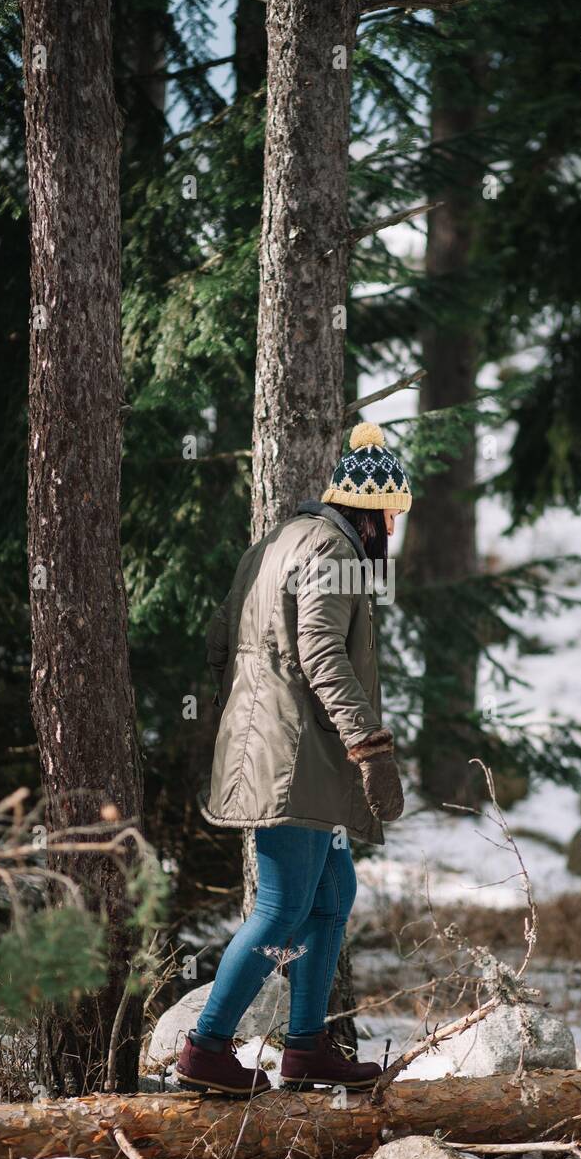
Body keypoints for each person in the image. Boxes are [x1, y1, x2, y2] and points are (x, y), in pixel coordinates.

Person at [175, 422, 412, 1096]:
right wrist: (370, 745)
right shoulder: (334, 551)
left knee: (332, 894)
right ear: (369, 516)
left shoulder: (272, 544)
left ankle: (306, 1046)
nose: (391, 534)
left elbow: (221, 640)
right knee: (281, 909)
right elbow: (322, 653)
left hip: (277, 752)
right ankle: (206, 1047)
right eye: (390, 519)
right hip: (293, 762)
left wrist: (248, 723)